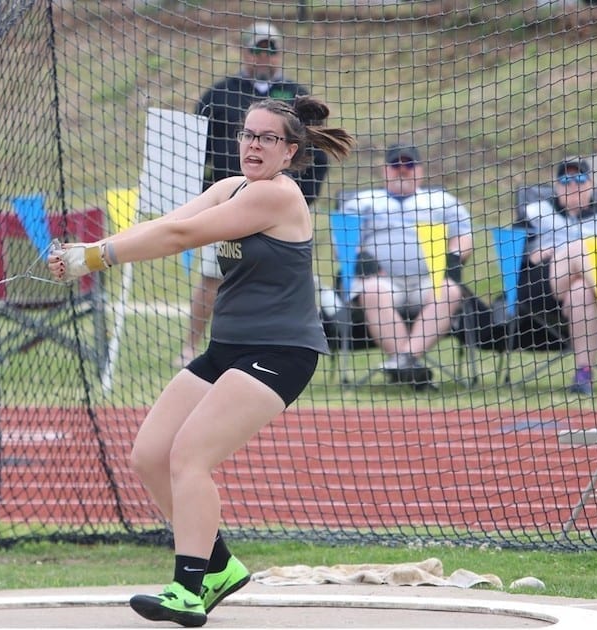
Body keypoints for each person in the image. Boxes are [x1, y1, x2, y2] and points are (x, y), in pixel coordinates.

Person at [49, 97, 353, 627]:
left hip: (281, 352)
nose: (254, 145)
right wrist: (91, 247)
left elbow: (182, 238)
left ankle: (188, 590)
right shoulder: (228, 188)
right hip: (228, 348)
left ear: (290, 152)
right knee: (150, 454)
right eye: (248, 134)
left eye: (268, 139)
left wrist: (96, 258)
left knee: (189, 456)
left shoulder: (279, 197)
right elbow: (167, 221)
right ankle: (218, 566)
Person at [177, 21, 329, 367]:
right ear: (244, 51)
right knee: (213, 277)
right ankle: (191, 346)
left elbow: (317, 156)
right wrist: (209, 197)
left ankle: (273, 348)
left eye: (270, 49)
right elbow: (192, 150)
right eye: (257, 49)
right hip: (227, 206)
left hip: (278, 211)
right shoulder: (220, 93)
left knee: (278, 281)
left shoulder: (295, 94)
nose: (264, 56)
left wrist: (299, 200)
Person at [341, 143, 473, 390]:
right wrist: (361, 257)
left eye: (409, 164)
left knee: (451, 290)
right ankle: (412, 370)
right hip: (382, 281)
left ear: (419, 170)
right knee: (372, 290)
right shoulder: (363, 201)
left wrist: (453, 257)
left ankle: (404, 360)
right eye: (396, 165)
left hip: (427, 281)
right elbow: (345, 239)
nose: (402, 170)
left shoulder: (440, 200)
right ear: (385, 170)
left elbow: (465, 235)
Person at [516, 156, 597, 394]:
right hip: (543, 284)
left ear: (590, 184)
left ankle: (583, 374)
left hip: (592, 288)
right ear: (556, 187)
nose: (573, 185)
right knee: (578, 248)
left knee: (581, 291)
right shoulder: (536, 212)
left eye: (579, 179)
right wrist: (537, 255)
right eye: (566, 180)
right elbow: (514, 253)